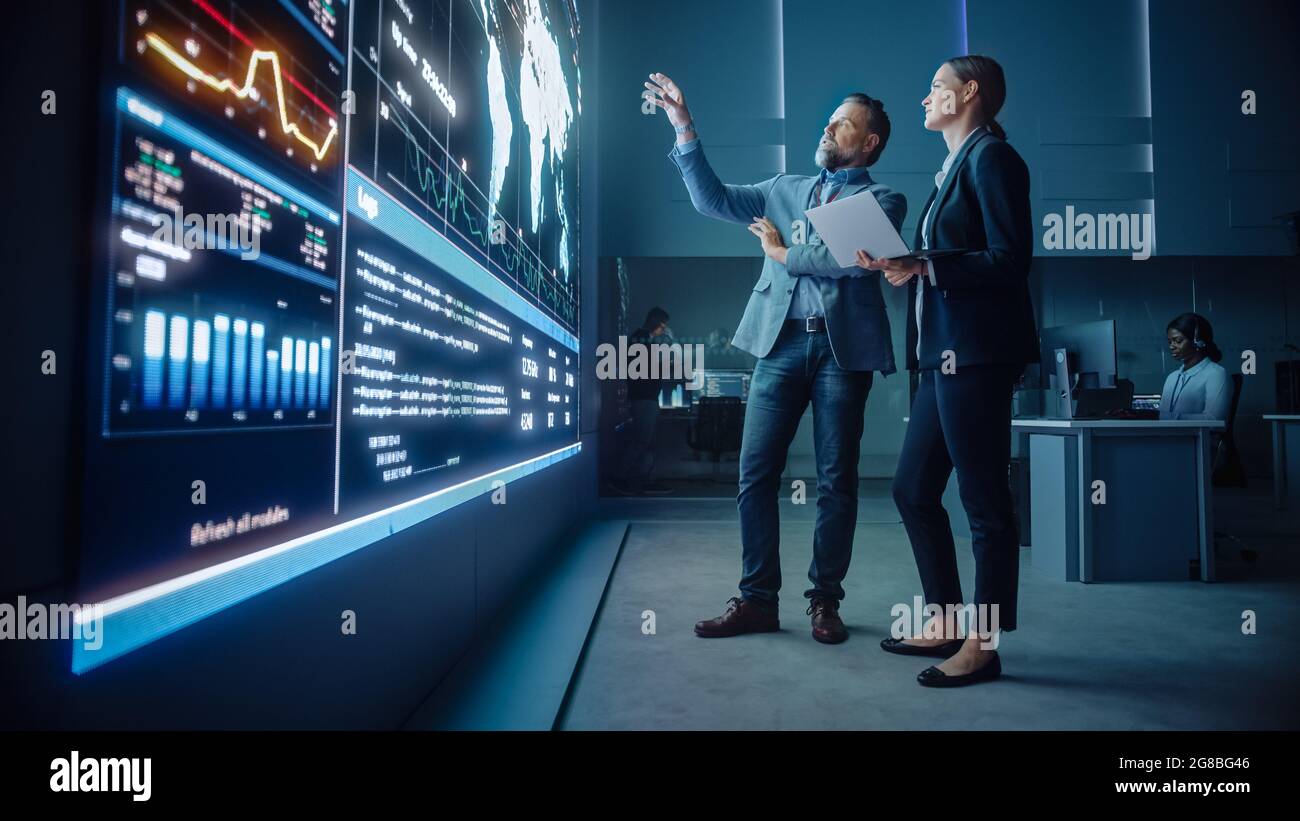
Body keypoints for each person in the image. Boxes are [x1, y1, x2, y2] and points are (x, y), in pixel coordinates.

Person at [644, 72, 906, 644]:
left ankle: (824, 603)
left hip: (843, 354)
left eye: (843, 122)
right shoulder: (783, 188)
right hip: (779, 343)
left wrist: (782, 252)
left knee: (837, 480)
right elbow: (711, 200)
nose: (829, 126)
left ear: (870, 143)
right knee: (754, 473)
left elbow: (844, 260)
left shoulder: (883, 200)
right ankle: (758, 599)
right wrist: (684, 126)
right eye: (830, 117)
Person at [857, 55, 1038, 686]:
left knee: (985, 503)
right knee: (912, 489)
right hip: (942, 356)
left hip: (978, 356)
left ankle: (982, 647)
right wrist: (909, 264)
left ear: (969, 94)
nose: (925, 97)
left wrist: (928, 264)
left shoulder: (993, 159)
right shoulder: (954, 167)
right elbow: (954, 258)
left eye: (936, 87)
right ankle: (944, 618)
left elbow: (1010, 260)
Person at [612, 307, 675, 496]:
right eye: (663, 325)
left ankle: (642, 479)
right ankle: (620, 478)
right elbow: (651, 368)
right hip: (643, 398)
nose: (664, 329)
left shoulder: (642, 340)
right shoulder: (641, 340)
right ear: (654, 321)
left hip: (646, 397)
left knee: (647, 441)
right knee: (642, 440)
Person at [1160, 313, 1230, 421]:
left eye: (1178, 341)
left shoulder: (1216, 374)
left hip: (1196, 438)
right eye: (1170, 342)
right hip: (1168, 437)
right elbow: (1161, 418)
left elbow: (1215, 420)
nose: (1171, 346)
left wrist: (1173, 418)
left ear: (1198, 342)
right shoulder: (1172, 378)